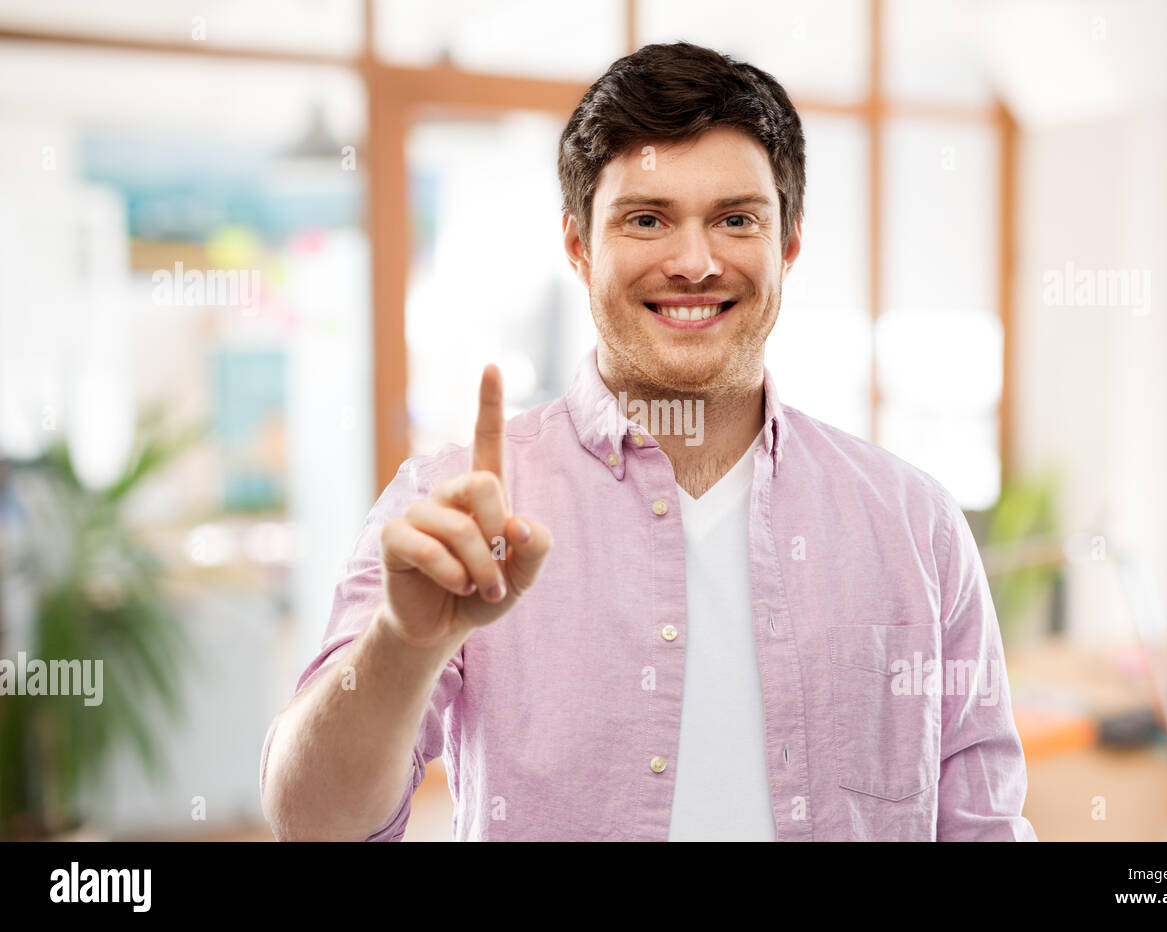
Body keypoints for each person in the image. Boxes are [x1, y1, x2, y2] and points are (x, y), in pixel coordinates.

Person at [260, 41, 1036, 842]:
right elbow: (311, 823)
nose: (695, 263)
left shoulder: (918, 525)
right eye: (647, 219)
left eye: (736, 220)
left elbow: (983, 826)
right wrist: (403, 645)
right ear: (579, 246)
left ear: (788, 245)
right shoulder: (449, 510)